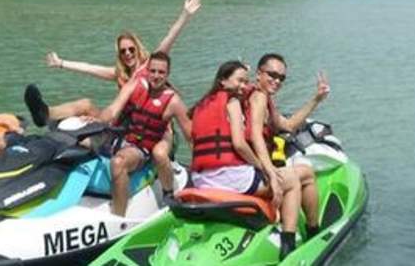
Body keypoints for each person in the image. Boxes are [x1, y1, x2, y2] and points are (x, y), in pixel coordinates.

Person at [188, 61, 306, 259]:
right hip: (229, 178)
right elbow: (239, 144)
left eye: (246, 81)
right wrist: (262, 168)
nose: (243, 86)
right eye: (240, 81)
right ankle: (289, 246)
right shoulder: (232, 102)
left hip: (200, 179)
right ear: (223, 81)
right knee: (292, 180)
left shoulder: (201, 105)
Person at [29, 0, 201, 124]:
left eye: (131, 49)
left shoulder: (150, 66)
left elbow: (169, 38)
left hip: (144, 124)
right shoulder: (119, 74)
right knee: (85, 104)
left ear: (138, 49)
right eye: (123, 51)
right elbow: (89, 68)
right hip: (119, 121)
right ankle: (45, 113)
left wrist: (185, 15)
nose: (128, 53)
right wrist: (61, 63)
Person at [89, 51, 192, 215]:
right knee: (78, 142)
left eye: (161, 72)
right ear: (147, 71)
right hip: (120, 138)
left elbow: (190, 136)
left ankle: (119, 217)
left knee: (118, 163)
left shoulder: (174, 102)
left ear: (167, 74)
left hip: (141, 149)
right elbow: (113, 110)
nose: (156, 76)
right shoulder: (135, 85)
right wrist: (96, 121)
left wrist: (202, 168)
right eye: (153, 71)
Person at [245, 53, 329, 243]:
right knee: (306, 173)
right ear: (259, 73)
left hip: (250, 167)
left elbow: (288, 125)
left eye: (281, 78)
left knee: (298, 170)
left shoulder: (261, 98)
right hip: (253, 170)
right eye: (272, 75)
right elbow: (255, 136)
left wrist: (316, 99)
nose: (277, 81)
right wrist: (269, 171)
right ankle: (312, 232)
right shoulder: (259, 98)